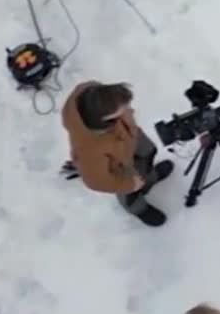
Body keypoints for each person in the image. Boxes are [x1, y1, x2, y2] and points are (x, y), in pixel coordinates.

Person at [60, 79, 175, 227]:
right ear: (106, 119)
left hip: (130, 136)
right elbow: (98, 181)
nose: (130, 110)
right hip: (118, 162)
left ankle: (150, 179)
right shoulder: (89, 150)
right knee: (128, 190)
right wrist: (129, 184)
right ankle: (138, 207)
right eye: (124, 109)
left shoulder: (95, 95)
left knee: (148, 153)